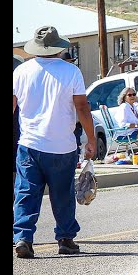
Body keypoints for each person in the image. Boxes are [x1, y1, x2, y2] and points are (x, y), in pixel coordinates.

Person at [13, 26, 97, 258]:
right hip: (62, 144)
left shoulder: (21, 71)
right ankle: (65, 239)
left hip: (29, 143)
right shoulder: (71, 72)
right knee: (62, 194)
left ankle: (23, 237)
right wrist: (91, 139)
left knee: (26, 191)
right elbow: (82, 107)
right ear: (58, 47)